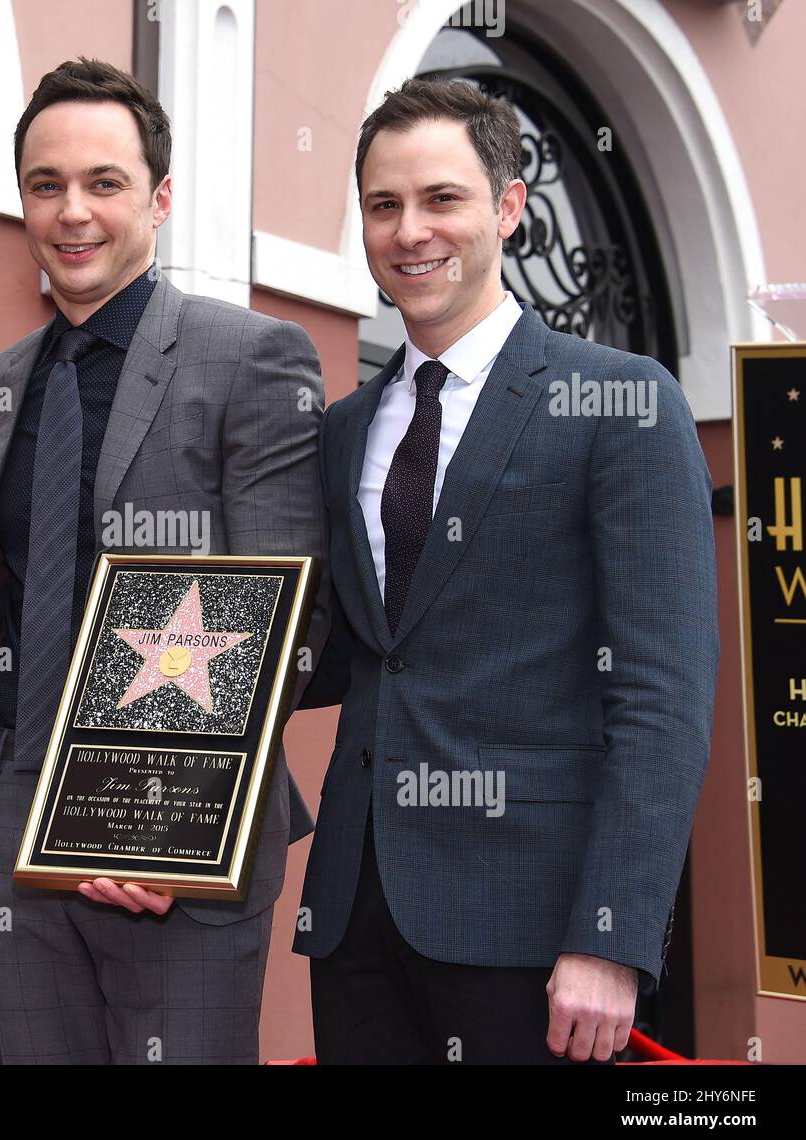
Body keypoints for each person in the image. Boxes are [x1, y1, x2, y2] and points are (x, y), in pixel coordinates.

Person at [295, 78, 719, 1064]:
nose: (410, 231)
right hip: (355, 915)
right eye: (382, 205)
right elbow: (344, 653)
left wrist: (609, 935)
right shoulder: (345, 428)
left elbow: (663, 694)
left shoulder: (618, 402)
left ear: (509, 206)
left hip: (531, 933)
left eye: (441, 198)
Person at [0, 58, 325, 1064]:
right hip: (16, 805)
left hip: (180, 818)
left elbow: (285, 608)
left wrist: (159, 820)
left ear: (158, 197)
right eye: (45, 184)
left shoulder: (252, 356)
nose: (73, 211)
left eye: (103, 182)